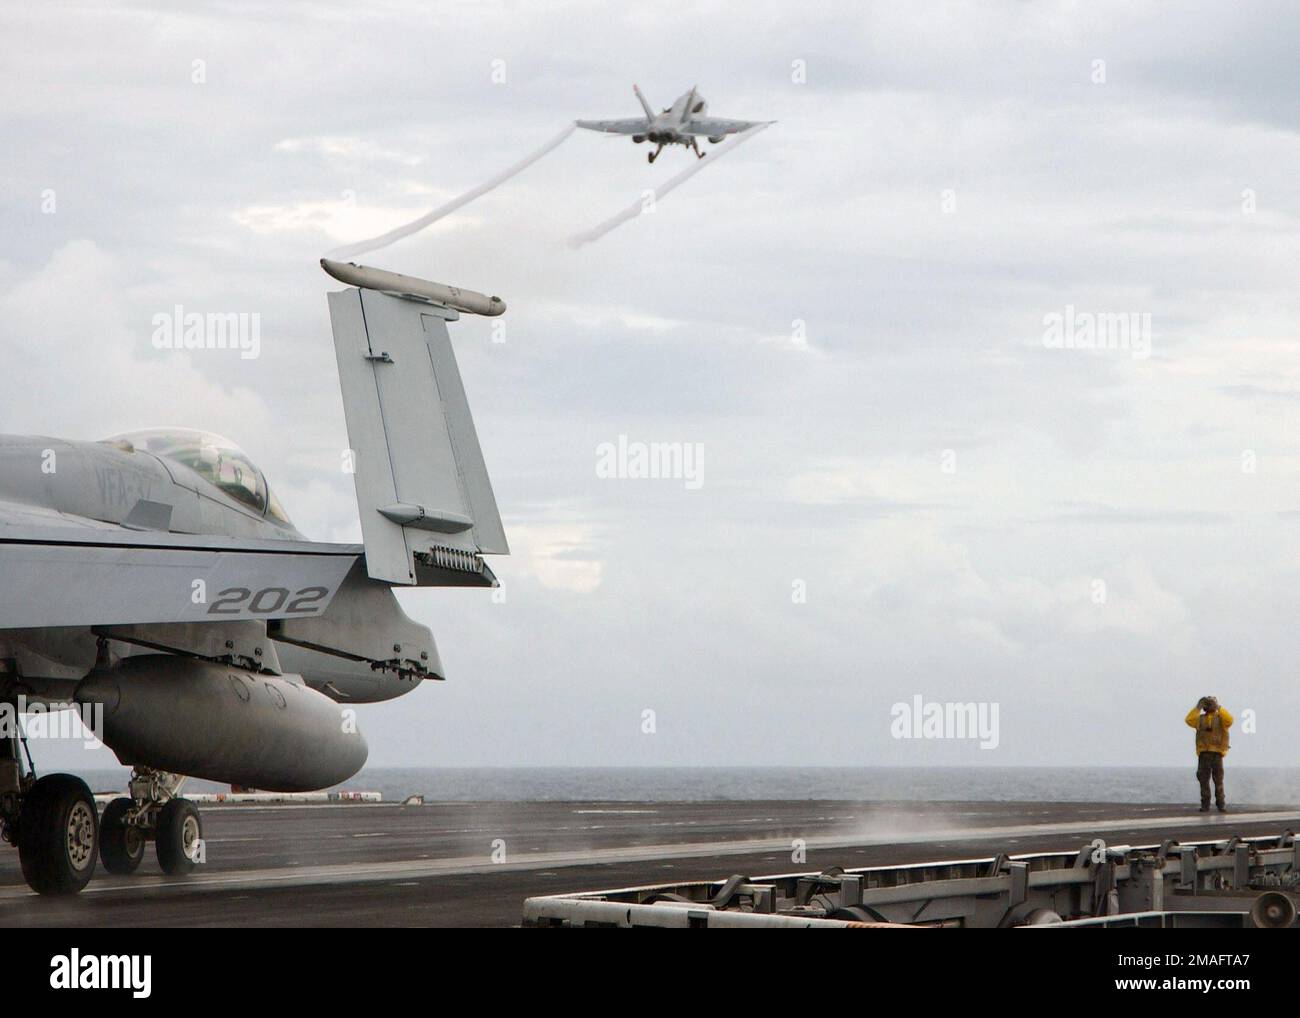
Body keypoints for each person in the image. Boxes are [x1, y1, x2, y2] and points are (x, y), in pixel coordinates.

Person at [1185, 696, 1232, 813]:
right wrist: (1197, 708)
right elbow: (1189, 720)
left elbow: (1230, 720)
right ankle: (1205, 805)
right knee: (1203, 780)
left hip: (1217, 753)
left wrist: (1219, 707)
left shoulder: (1221, 719)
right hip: (1204, 753)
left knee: (1218, 780)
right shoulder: (1199, 719)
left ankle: (1221, 804)